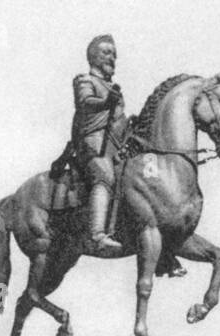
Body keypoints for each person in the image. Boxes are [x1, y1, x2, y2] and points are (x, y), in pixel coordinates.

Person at [72, 34, 125, 255]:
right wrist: (105, 101)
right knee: (105, 176)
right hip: (92, 145)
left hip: (113, 147)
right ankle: (97, 236)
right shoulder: (85, 80)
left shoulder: (111, 87)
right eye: (106, 52)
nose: (111, 57)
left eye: (113, 54)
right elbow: (85, 102)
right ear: (93, 56)